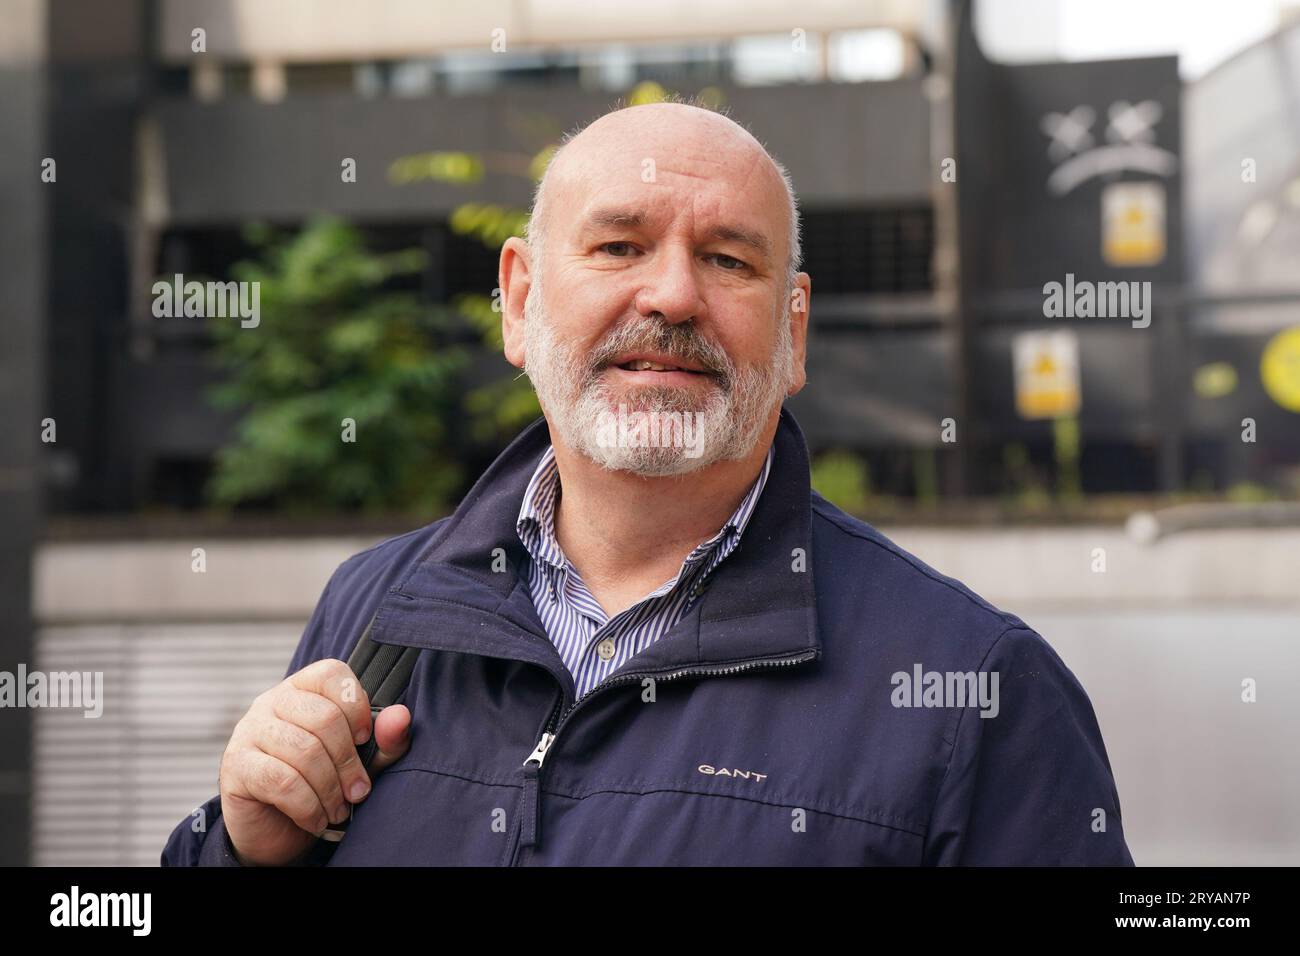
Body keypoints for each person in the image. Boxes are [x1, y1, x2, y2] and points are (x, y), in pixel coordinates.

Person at [162, 101, 1133, 866]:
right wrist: (244, 849)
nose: (671, 294)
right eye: (619, 246)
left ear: (792, 331)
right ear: (521, 300)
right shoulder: (376, 611)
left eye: (726, 258)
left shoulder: (980, 689)